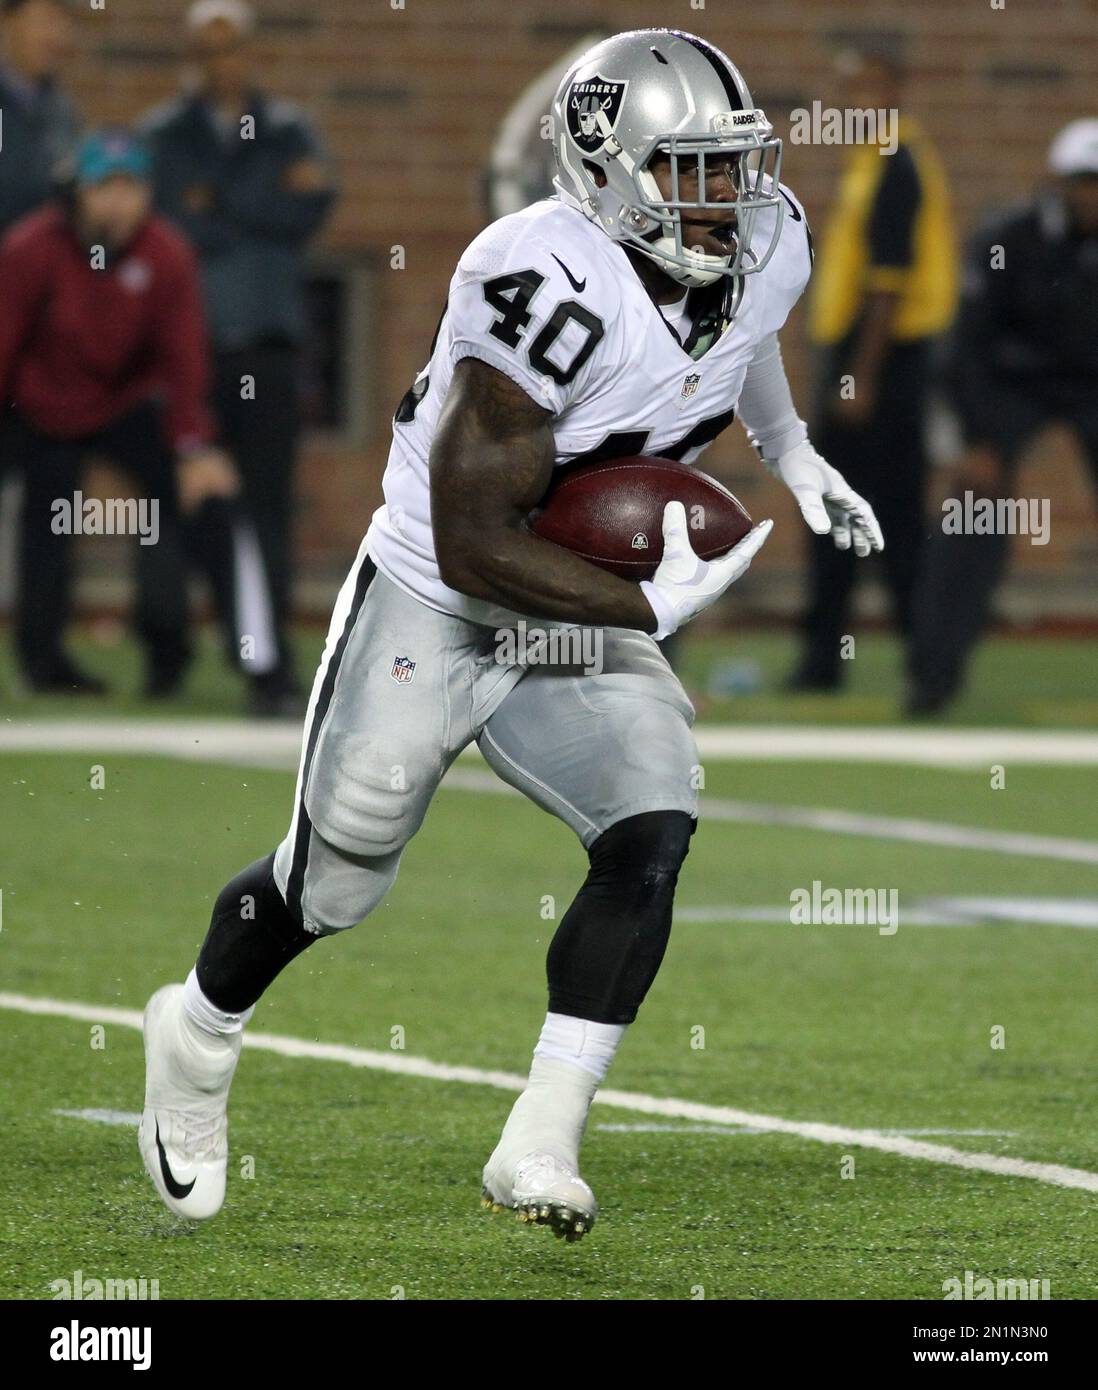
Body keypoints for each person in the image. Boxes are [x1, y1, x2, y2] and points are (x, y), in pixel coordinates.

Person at [138, 29, 882, 1238]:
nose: (727, 200)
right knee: (338, 872)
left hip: (574, 596)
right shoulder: (538, 279)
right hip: (444, 587)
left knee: (652, 822)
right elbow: (481, 536)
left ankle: (540, 1138)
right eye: (691, 170)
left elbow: (745, 345)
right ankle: (201, 1033)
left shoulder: (769, 236)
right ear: (606, 169)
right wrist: (649, 607)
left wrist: (794, 453)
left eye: (734, 166)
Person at [139, 0, 336, 715]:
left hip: (267, 351)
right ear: (191, 56)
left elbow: (309, 210)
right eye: (208, 49)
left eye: (233, 48)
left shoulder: (286, 129)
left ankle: (266, 664)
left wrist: (216, 204)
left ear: (250, 54)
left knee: (264, 512)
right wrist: (253, 207)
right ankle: (164, 651)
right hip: (184, 354)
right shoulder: (163, 133)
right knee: (172, 506)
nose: (222, 63)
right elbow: (164, 223)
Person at [0, 129, 238, 693]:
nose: (117, 201)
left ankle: (251, 665)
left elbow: (183, 360)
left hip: (122, 403)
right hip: (36, 407)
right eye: (103, 186)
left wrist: (193, 446)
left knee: (207, 500)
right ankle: (44, 664)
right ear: (76, 192)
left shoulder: (167, 253)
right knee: (47, 521)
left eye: (130, 186)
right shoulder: (30, 247)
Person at [908, 119, 1098, 713]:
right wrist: (976, 437)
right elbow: (967, 348)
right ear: (1060, 183)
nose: (1093, 196)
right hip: (1012, 384)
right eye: (1084, 182)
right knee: (974, 515)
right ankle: (932, 679)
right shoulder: (1009, 238)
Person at [788, 47, 957, 692]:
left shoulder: (896, 162)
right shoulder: (872, 159)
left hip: (885, 364)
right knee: (837, 509)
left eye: (869, 88)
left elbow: (888, 285)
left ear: (895, 88)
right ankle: (825, 660)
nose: (854, 103)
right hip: (866, 360)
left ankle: (925, 664)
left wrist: (860, 379)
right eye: (848, 90)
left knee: (886, 515)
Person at [0, 0, 78, 237]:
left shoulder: (64, 112)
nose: (55, 37)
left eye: (62, 23)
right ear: (8, 20)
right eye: (44, 21)